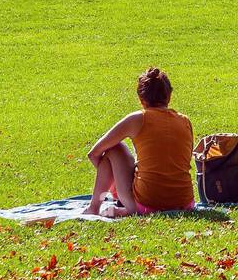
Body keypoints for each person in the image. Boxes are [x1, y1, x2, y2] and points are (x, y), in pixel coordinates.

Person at [82, 68, 195, 217]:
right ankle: (126, 208)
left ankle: (94, 207)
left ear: (141, 100)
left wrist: (115, 181)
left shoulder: (137, 119)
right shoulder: (185, 121)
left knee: (114, 149)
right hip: (185, 203)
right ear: (169, 96)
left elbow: (94, 153)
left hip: (148, 204)